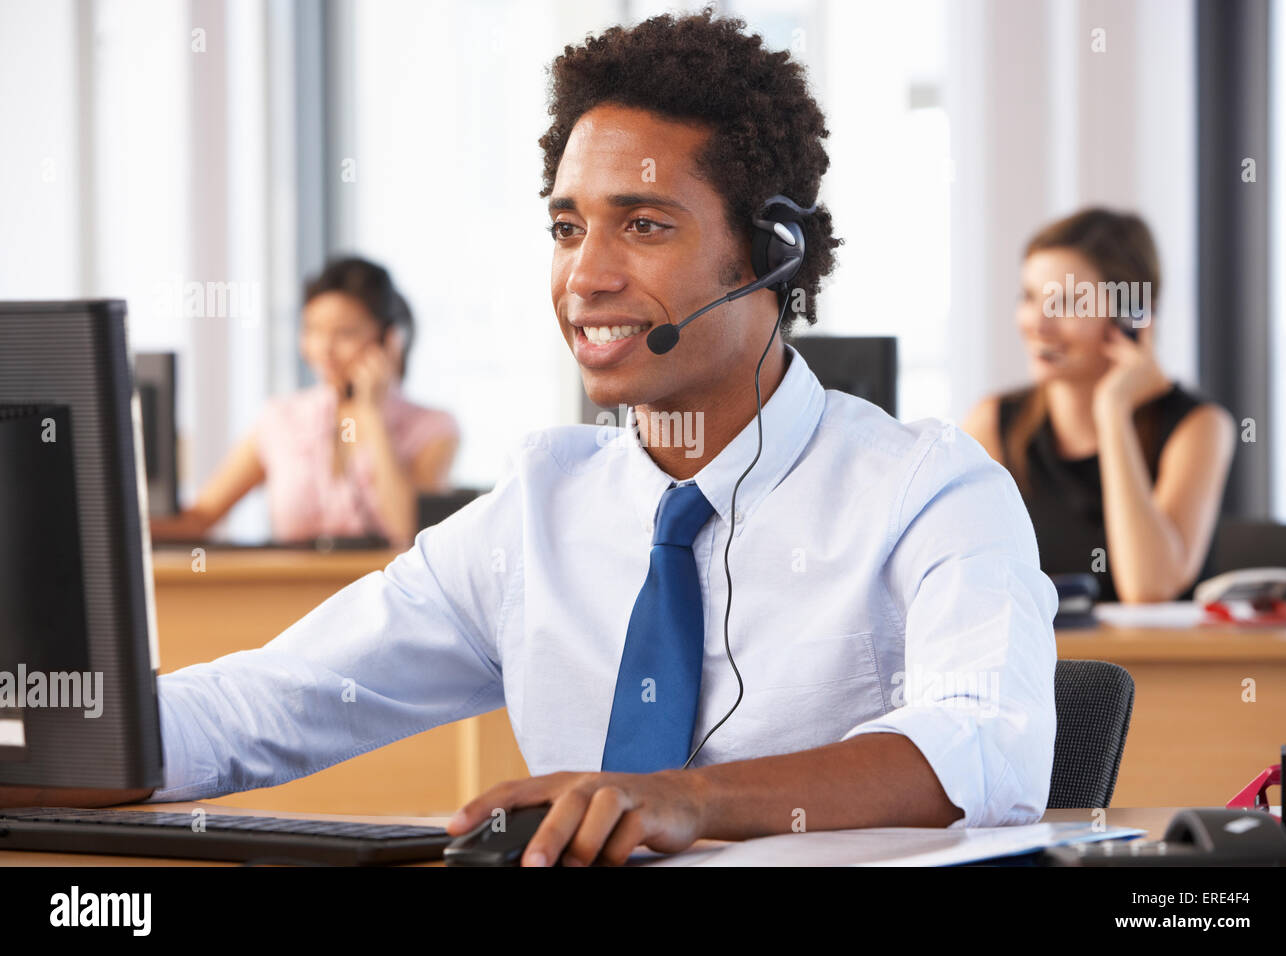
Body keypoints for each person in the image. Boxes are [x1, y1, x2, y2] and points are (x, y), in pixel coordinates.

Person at [2, 10, 1058, 866]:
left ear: (772, 254)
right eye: (565, 226)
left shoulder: (929, 488)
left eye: (642, 224)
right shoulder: (539, 505)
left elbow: (984, 739)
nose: (584, 275)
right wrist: (45, 736)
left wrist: (684, 800)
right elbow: (262, 703)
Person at [961, 209, 1236, 604]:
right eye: (1030, 297)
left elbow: (1148, 587)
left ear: (1131, 316)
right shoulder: (992, 422)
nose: (1037, 323)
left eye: (1066, 303)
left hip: (1159, 666)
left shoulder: (1199, 426)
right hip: (1039, 664)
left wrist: (1113, 411)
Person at [150, 256, 459, 549]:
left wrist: (370, 415)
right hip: (294, 598)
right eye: (313, 330)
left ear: (389, 341)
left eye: (346, 333)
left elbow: (408, 530)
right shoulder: (281, 419)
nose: (324, 348)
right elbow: (200, 519)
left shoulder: (433, 428)